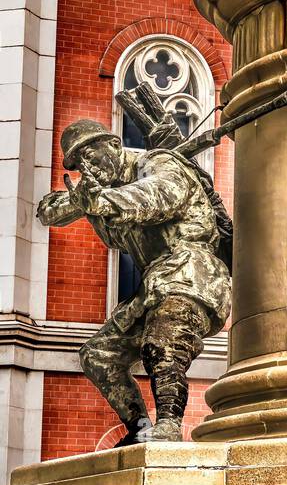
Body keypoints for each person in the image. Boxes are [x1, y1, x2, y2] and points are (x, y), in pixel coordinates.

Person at [37, 120, 231, 444]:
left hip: (192, 274)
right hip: (155, 285)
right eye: (79, 163)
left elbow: (157, 197)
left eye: (91, 155)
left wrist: (102, 201)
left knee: (163, 338)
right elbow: (48, 211)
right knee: (99, 354)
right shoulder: (97, 191)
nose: (88, 166)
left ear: (113, 145)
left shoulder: (157, 163)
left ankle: (168, 425)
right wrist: (84, 199)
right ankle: (140, 429)